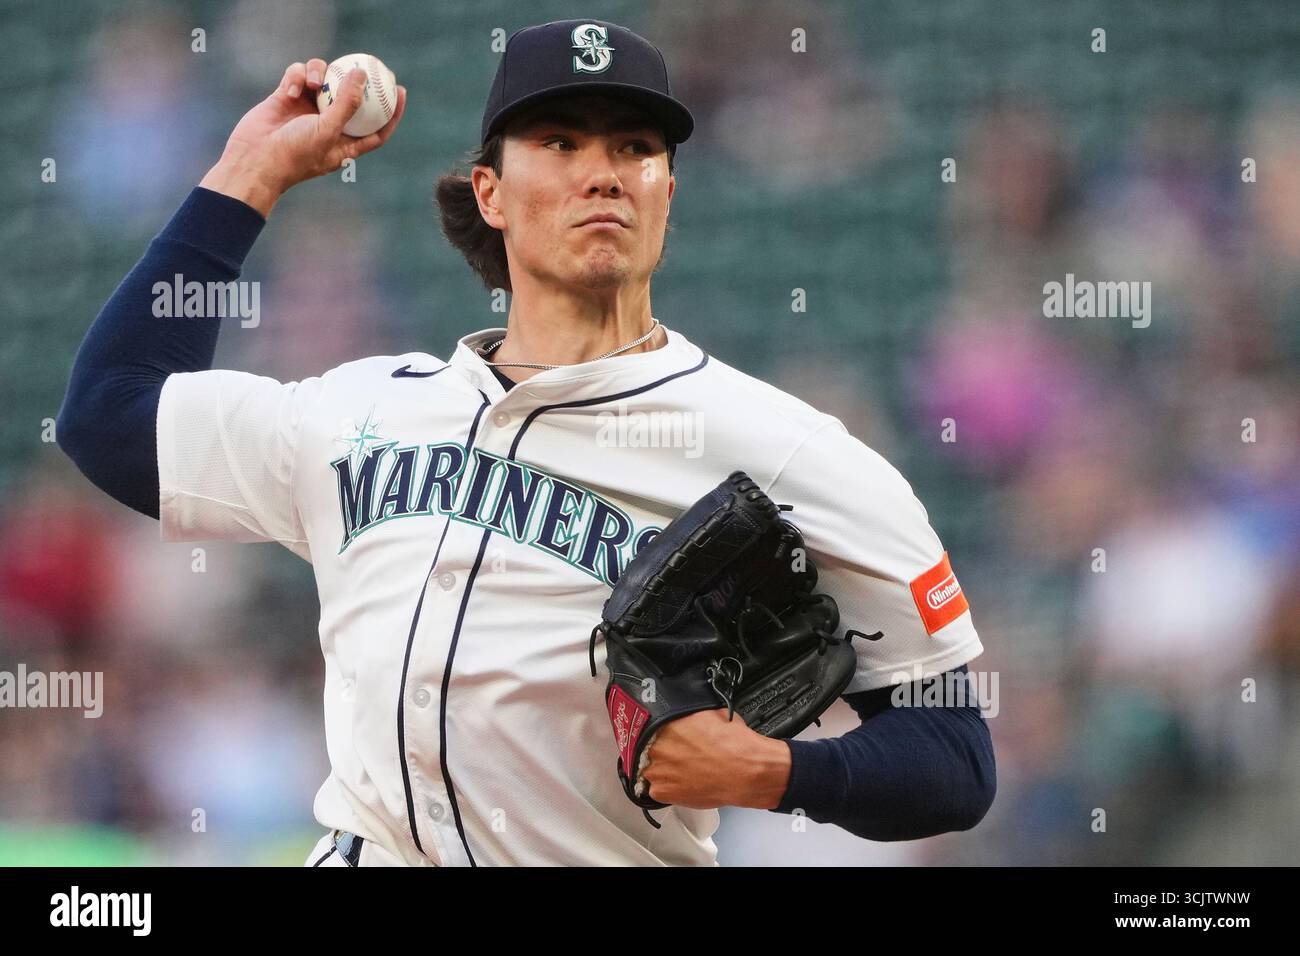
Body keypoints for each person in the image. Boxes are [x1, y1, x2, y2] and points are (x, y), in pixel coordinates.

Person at [56, 19, 994, 867]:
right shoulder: (357, 411)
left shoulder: (785, 451)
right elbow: (110, 414)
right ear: (490, 193)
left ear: (669, 191)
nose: (604, 171)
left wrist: (777, 773)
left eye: (637, 147)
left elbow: (955, 755)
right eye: (560, 142)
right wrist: (250, 174)